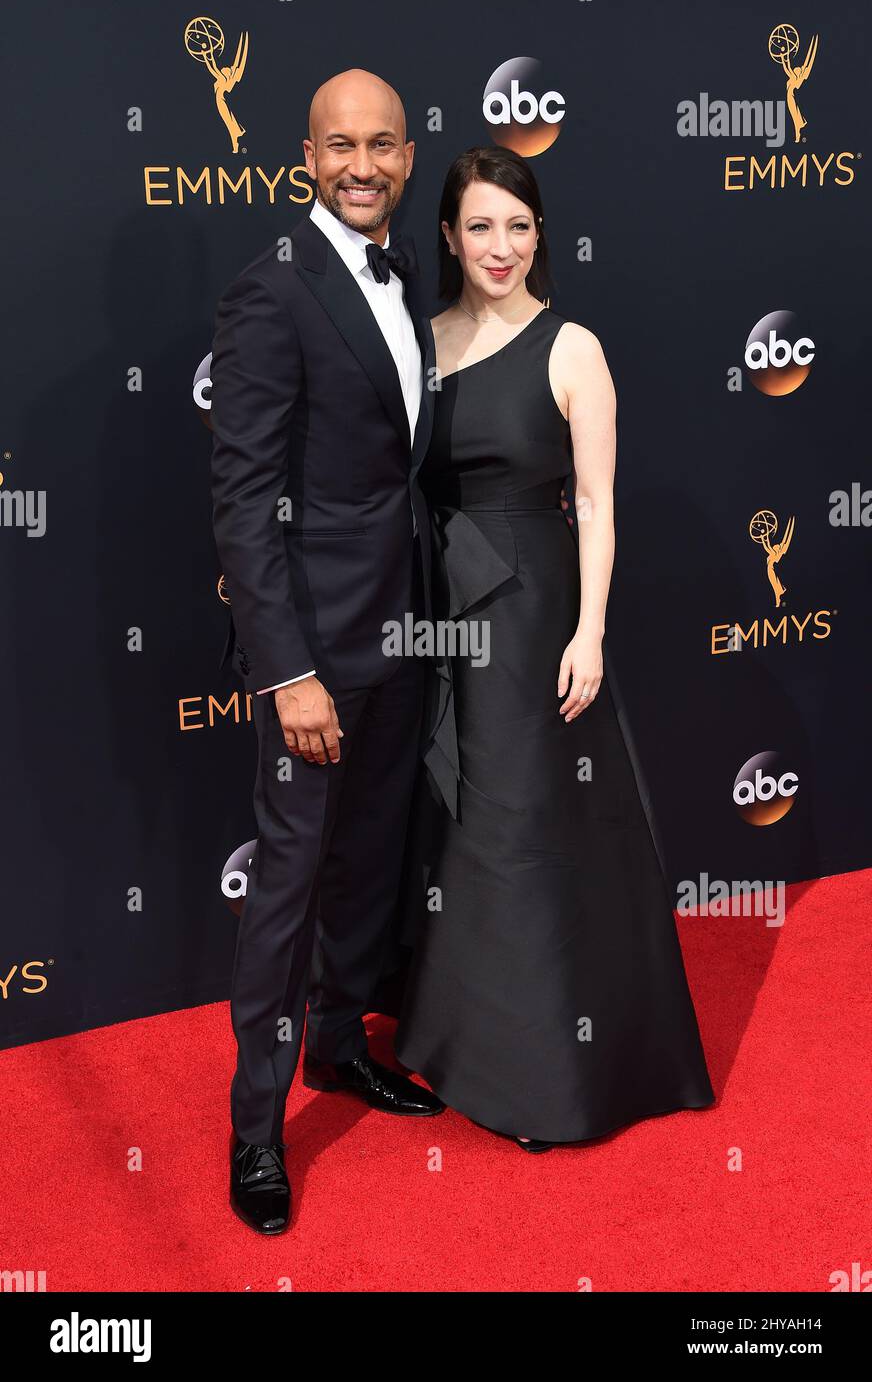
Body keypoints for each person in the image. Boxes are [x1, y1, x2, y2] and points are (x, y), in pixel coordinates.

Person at [394, 146, 716, 1151]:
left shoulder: (570, 346)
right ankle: (448, 1041)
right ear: (446, 236)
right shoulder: (418, 341)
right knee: (453, 824)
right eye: (478, 226)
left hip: (534, 621)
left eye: (517, 225)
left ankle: (547, 1079)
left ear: (540, 234)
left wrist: (589, 631)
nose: (499, 245)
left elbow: (595, 505)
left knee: (524, 833)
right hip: (440, 614)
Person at [210, 68, 444, 1237]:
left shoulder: (403, 279)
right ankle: (256, 1131)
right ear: (305, 155)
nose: (362, 165)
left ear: (409, 156)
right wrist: (287, 670)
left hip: (404, 634)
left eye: (383, 146)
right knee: (289, 886)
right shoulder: (274, 292)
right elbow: (244, 500)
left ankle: (337, 1048)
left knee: (368, 863)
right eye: (339, 145)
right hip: (315, 655)